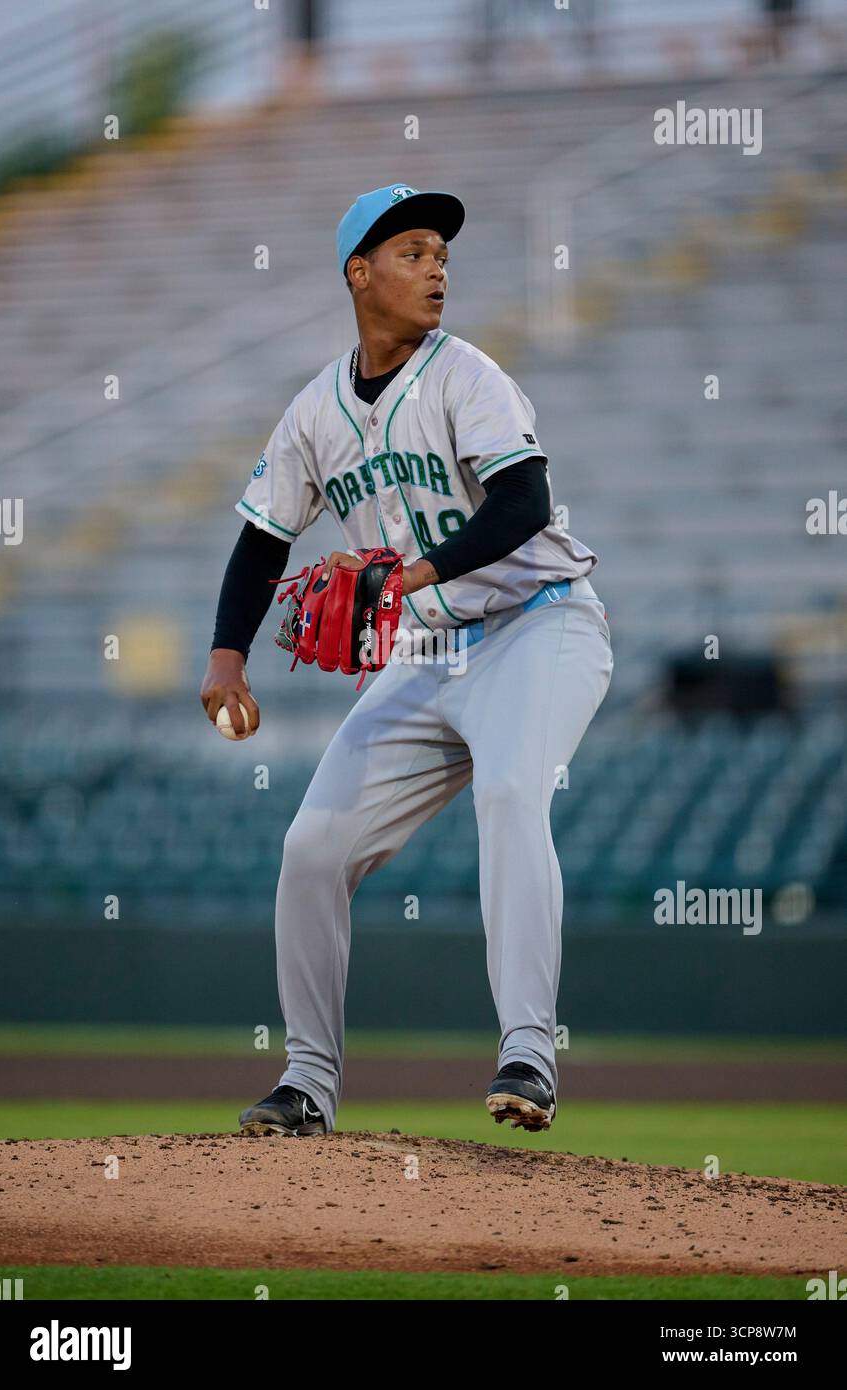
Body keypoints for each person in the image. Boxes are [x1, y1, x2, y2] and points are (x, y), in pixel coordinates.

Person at [201, 184, 613, 1137]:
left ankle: (527, 1050)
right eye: (414, 252)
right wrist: (227, 657)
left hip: (537, 623)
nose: (436, 270)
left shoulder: (469, 377)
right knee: (310, 850)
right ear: (360, 272)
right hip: (427, 650)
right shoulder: (313, 412)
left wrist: (408, 575)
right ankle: (306, 1082)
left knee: (511, 791)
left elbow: (523, 507)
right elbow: (263, 542)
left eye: (441, 256)